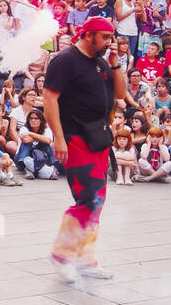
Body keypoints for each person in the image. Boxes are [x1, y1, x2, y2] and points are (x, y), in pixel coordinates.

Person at [43, 18, 123, 283]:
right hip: (76, 138)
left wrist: (115, 62)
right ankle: (62, 254)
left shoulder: (100, 61)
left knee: (96, 202)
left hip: (98, 138)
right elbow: (49, 98)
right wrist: (58, 138)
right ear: (89, 36)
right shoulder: (64, 60)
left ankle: (86, 259)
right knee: (89, 200)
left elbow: (120, 94)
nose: (109, 43)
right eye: (105, 37)